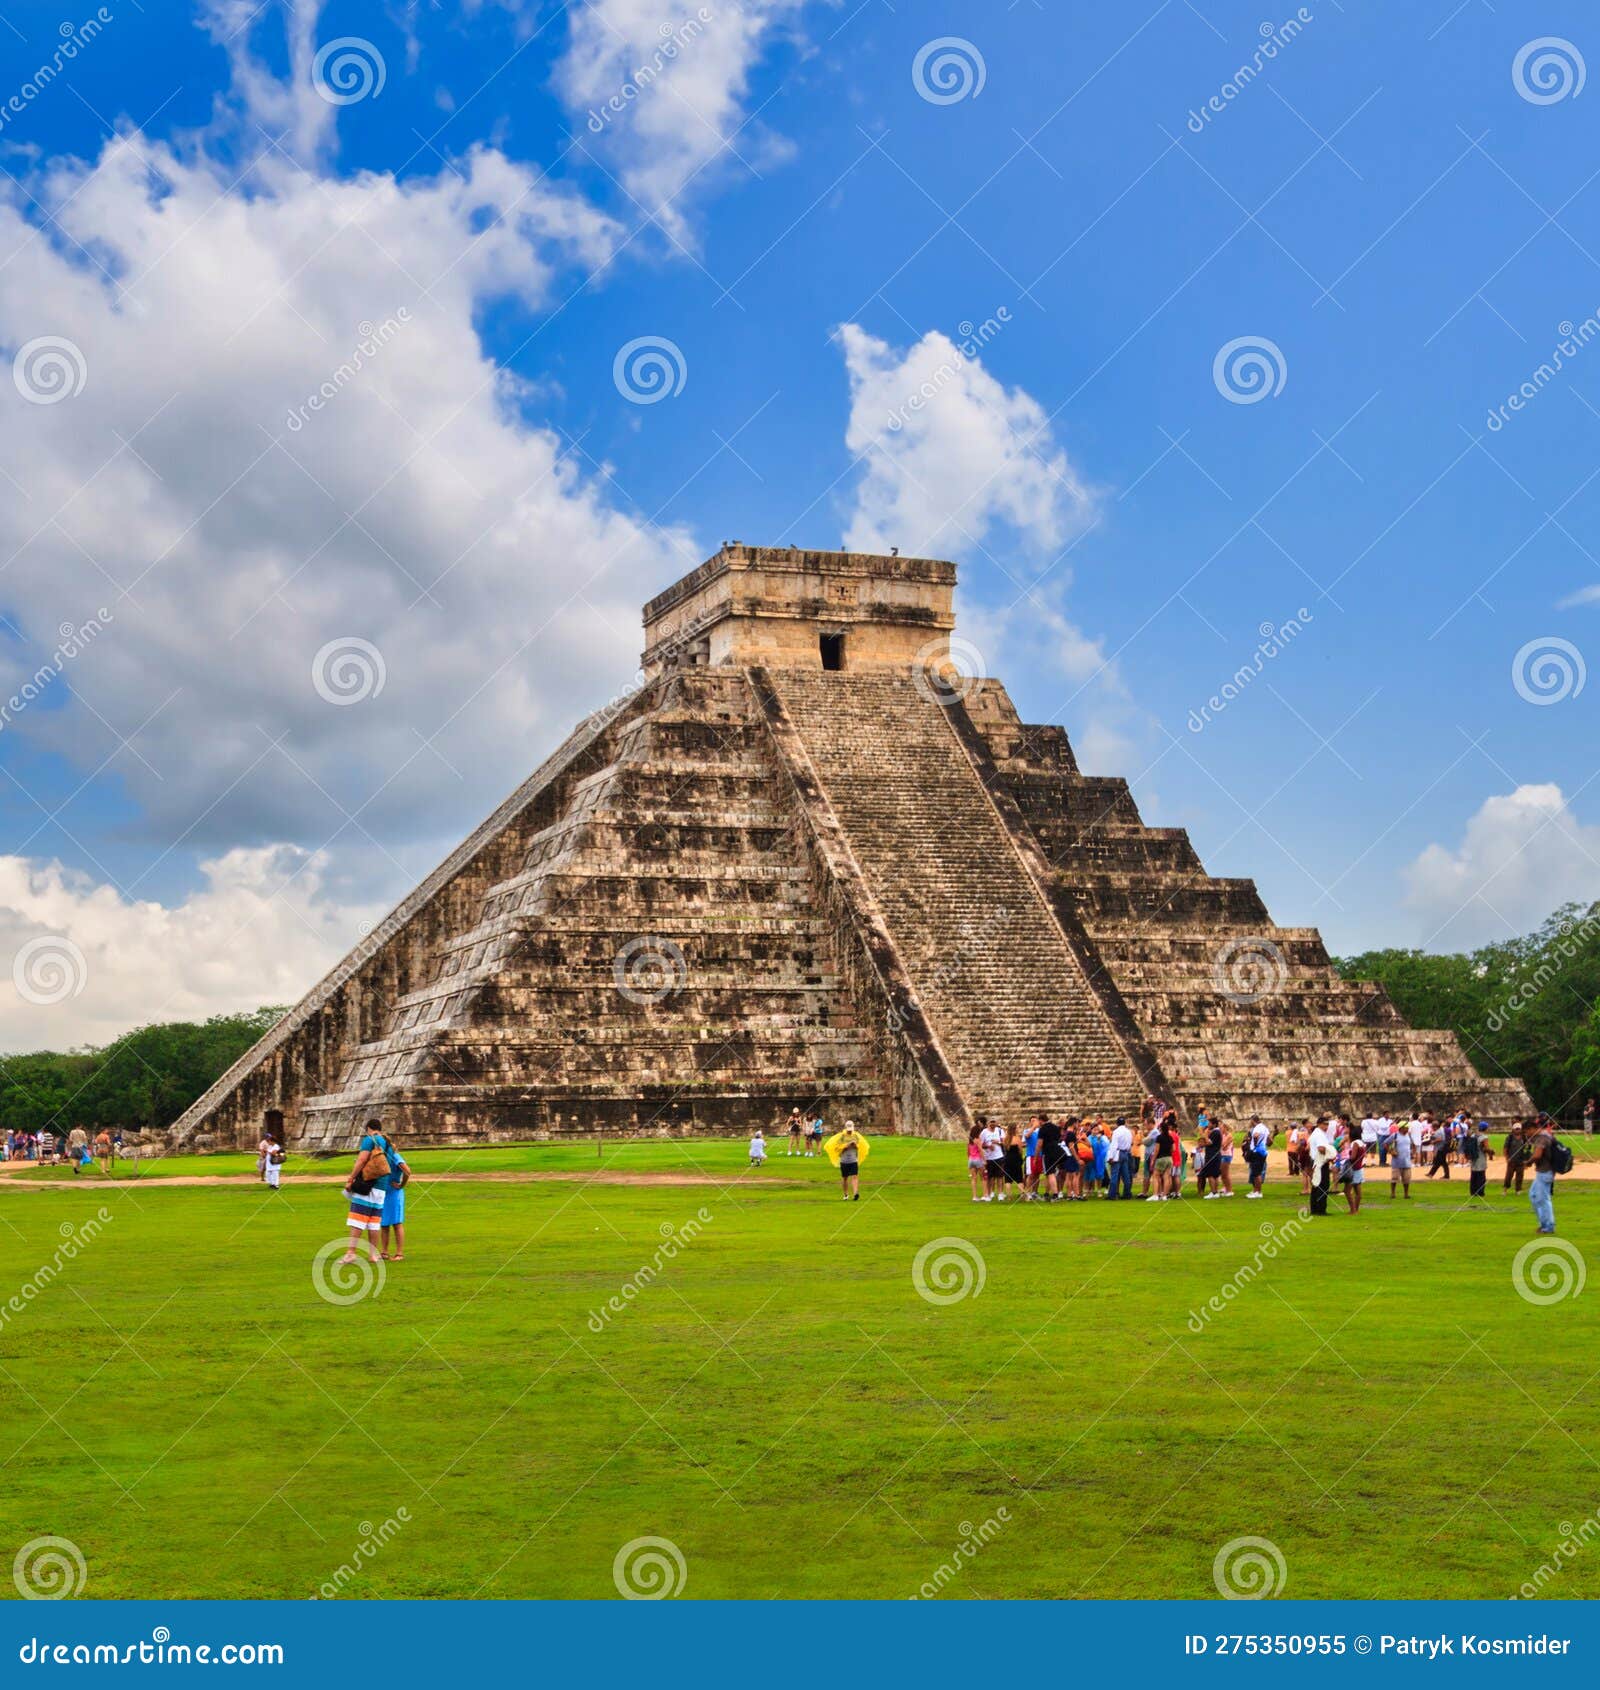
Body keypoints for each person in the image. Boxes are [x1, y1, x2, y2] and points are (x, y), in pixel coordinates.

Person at [342, 1118, 395, 1265]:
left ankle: (351, 1253)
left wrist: (351, 1178)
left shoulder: (369, 1140)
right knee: (374, 1222)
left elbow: (362, 1160)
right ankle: (373, 1254)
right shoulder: (387, 1143)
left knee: (357, 1220)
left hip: (367, 1184)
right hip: (381, 1187)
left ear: (369, 1128)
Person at [1527, 1118, 1559, 1235]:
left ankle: (1548, 1226)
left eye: (1527, 1131)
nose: (1527, 1134)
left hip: (1545, 1171)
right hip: (1542, 1171)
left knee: (1543, 1199)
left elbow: (1537, 1155)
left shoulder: (1542, 1138)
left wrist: (1528, 1162)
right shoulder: (1545, 1135)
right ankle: (1544, 1224)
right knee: (1533, 1195)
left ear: (1532, 1129)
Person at [379, 1143, 409, 1260]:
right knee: (384, 1224)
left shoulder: (395, 1156)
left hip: (394, 1193)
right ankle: (384, 1252)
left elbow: (407, 1171)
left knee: (397, 1223)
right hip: (383, 1193)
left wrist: (401, 1185)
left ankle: (399, 1253)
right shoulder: (382, 1157)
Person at [827, 1121, 866, 1201]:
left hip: (853, 1160)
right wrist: (846, 1145)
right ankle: (846, 1194)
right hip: (844, 1161)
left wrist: (855, 1145)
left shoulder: (856, 1136)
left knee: (855, 1176)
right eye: (848, 1130)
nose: (849, 1131)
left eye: (851, 1129)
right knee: (845, 1178)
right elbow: (837, 1148)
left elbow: (860, 1146)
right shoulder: (841, 1136)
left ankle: (855, 1193)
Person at [1146, 1114, 1176, 1202]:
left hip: (1161, 1158)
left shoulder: (1159, 1137)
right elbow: (1173, 1149)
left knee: (1156, 1176)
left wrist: (1152, 1160)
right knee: (1166, 1177)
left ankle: (1155, 1195)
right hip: (1169, 1158)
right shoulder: (1170, 1137)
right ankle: (1164, 1195)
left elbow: (1156, 1150)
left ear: (1161, 1129)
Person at [1307, 1117, 1333, 1216]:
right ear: (1319, 1124)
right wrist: (1331, 1154)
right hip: (1320, 1162)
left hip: (1314, 1161)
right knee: (1323, 1186)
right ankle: (1321, 1209)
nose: (1326, 1126)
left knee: (1316, 1185)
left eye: (1327, 1124)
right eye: (1324, 1124)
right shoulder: (1320, 1135)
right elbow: (1321, 1148)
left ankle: (1314, 1209)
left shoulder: (1315, 1133)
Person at [979, 1115, 1006, 1201]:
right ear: (988, 1123)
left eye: (994, 1122)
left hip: (999, 1156)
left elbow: (1005, 1142)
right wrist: (988, 1146)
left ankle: (1000, 1193)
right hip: (989, 1158)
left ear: (996, 1123)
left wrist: (998, 1142)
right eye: (991, 1122)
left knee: (1000, 1177)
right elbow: (980, 1145)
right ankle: (990, 1193)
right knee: (990, 1177)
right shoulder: (984, 1132)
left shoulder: (1000, 1131)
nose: (992, 1124)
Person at [1245, 1117, 1272, 1197]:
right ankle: (1256, 1191)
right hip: (1263, 1151)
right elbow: (1269, 1140)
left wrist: (1255, 1144)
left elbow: (1256, 1135)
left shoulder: (1257, 1128)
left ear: (1253, 1121)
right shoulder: (1264, 1127)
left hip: (1256, 1151)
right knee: (1257, 1172)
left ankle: (1258, 1192)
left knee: (1256, 1173)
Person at [1388, 1114, 1414, 1198]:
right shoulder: (1395, 1135)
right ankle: (1393, 1193)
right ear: (1401, 1128)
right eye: (1406, 1127)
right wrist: (1391, 1151)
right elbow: (1385, 1143)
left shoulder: (1408, 1135)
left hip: (1407, 1161)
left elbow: (1412, 1144)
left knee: (1407, 1179)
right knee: (1394, 1178)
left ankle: (1406, 1194)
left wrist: (1412, 1153)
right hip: (1397, 1161)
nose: (1408, 1129)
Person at [1109, 1117, 1134, 1200]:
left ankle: (1112, 1194)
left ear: (1117, 1123)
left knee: (1114, 1174)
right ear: (1124, 1123)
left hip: (1117, 1152)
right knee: (1126, 1175)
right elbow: (1130, 1143)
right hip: (1126, 1152)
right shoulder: (1128, 1132)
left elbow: (1114, 1145)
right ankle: (1127, 1193)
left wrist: (1111, 1157)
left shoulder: (1116, 1132)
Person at [1466, 1121, 1493, 1200]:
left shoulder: (1473, 1135)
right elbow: (1486, 1148)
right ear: (1485, 1128)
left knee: (1473, 1175)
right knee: (1481, 1175)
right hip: (1480, 1157)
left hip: (1473, 1157)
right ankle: (1480, 1192)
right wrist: (1491, 1152)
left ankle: (1473, 1191)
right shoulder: (1484, 1137)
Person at [1341, 1131, 1366, 1214]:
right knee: (1358, 1192)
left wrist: (1345, 1160)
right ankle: (1356, 1209)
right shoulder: (1361, 1143)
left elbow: (1353, 1157)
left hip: (1353, 1169)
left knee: (1347, 1190)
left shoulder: (1355, 1143)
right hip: (1359, 1168)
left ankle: (1353, 1210)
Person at [1503, 1120, 1529, 1193]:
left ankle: (1518, 1190)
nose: (1518, 1130)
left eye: (1519, 1129)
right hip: (1511, 1160)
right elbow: (1505, 1148)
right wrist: (1507, 1158)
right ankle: (1505, 1190)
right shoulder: (1510, 1137)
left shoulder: (1524, 1137)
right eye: (1516, 1129)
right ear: (1513, 1129)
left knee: (1520, 1176)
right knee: (1509, 1176)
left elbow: (1527, 1148)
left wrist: (1526, 1160)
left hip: (1520, 1160)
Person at [1002, 1124, 1026, 1199]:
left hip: (1007, 1160)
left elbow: (1005, 1149)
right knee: (1019, 1179)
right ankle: (1022, 1195)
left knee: (1007, 1179)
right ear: (1014, 1129)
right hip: (1016, 1160)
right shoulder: (1017, 1138)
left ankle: (1009, 1196)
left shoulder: (1005, 1139)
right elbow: (1020, 1150)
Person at [966, 1124, 986, 1202]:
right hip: (978, 1159)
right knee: (983, 1178)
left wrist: (969, 1160)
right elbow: (980, 1151)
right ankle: (984, 1195)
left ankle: (974, 1196)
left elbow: (968, 1152)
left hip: (971, 1160)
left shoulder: (969, 1141)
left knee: (974, 1179)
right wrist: (984, 1160)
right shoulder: (978, 1140)